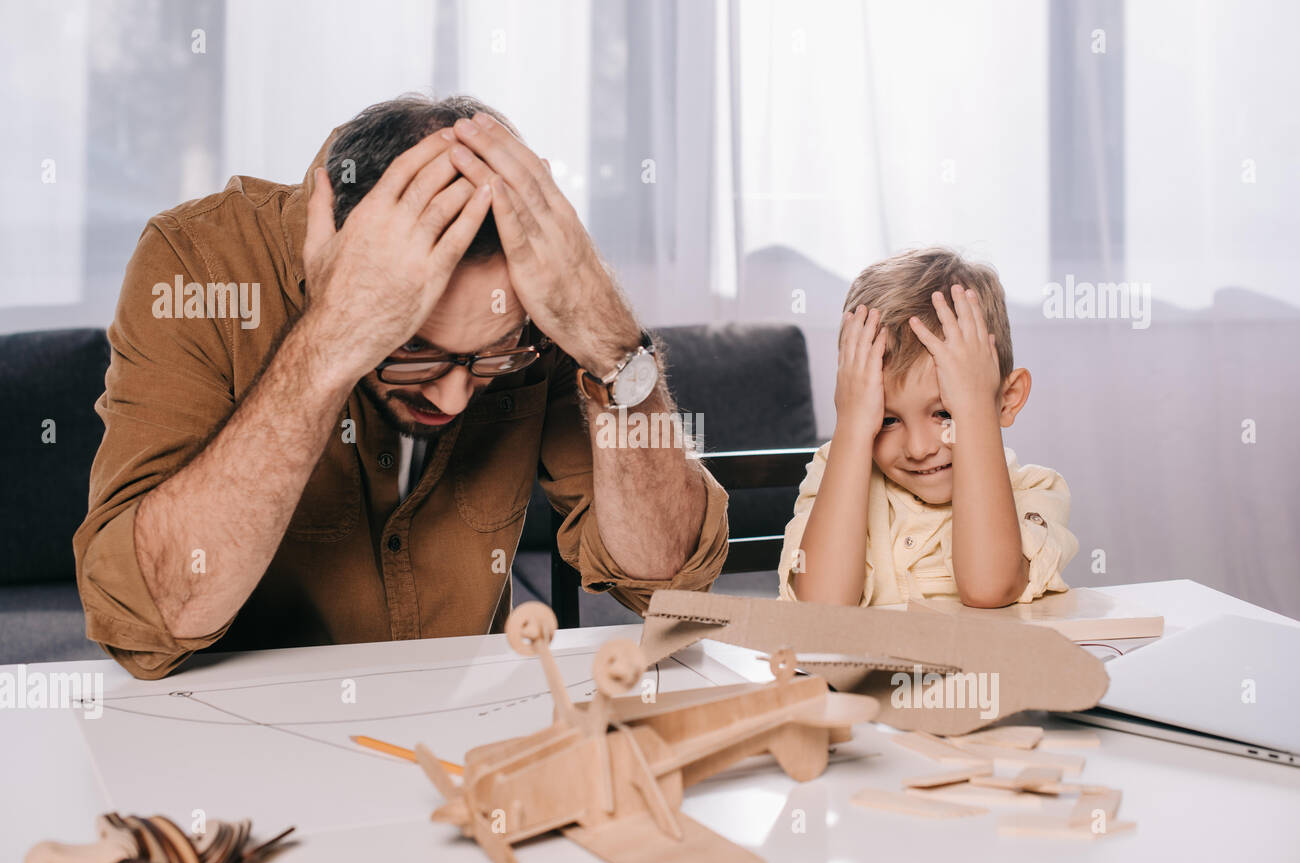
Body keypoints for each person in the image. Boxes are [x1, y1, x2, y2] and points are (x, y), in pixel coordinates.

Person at [73, 94, 728, 680]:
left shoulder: (535, 302)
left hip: (444, 743)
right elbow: (145, 624)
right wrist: (330, 338)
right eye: (412, 350)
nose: (451, 399)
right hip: (222, 742)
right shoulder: (199, 264)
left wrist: (616, 349)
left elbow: (666, 583)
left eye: (493, 357)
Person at [777, 247, 1077, 607]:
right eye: (887, 419)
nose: (919, 448)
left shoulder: (1034, 491)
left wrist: (974, 411)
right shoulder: (836, 472)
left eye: (944, 414)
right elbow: (822, 608)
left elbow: (989, 588)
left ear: (1007, 398)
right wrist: (853, 429)